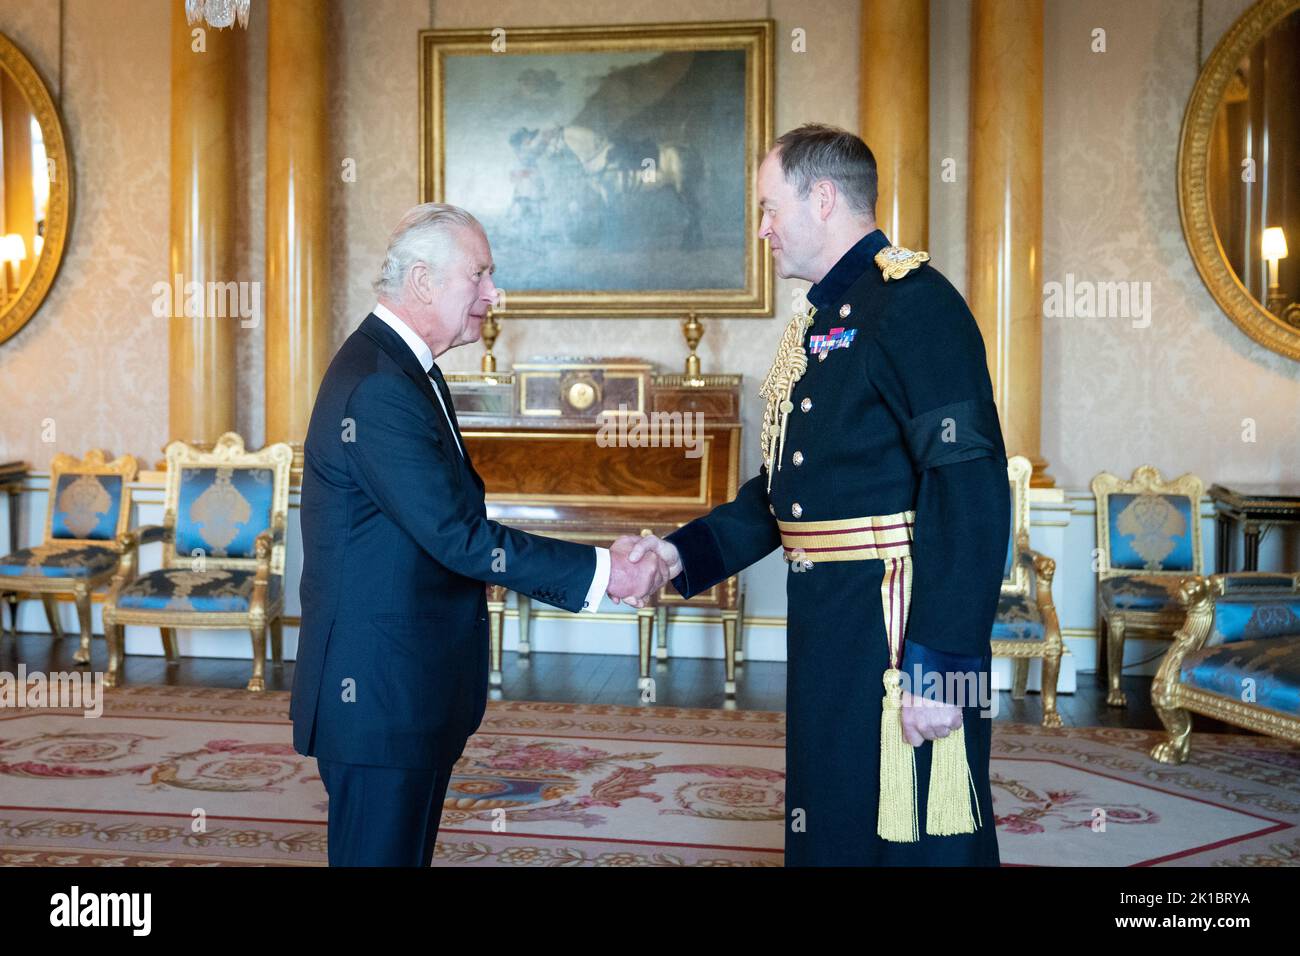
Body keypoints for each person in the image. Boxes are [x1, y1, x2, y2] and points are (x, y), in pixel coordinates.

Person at [624, 124, 1009, 866]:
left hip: (903, 632)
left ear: (824, 199)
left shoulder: (916, 305)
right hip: (835, 621)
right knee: (835, 813)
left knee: (921, 833)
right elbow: (786, 497)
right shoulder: (822, 322)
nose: (762, 230)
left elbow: (971, 490)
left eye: (770, 209)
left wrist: (945, 665)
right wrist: (676, 555)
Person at [290, 203, 672, 866]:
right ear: (423, 282)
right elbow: (456, 536)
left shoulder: (406, 371)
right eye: (481, 274)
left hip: (403, 687)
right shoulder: (379, 387)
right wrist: (607, 573)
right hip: (379, 693)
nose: (494, 293)